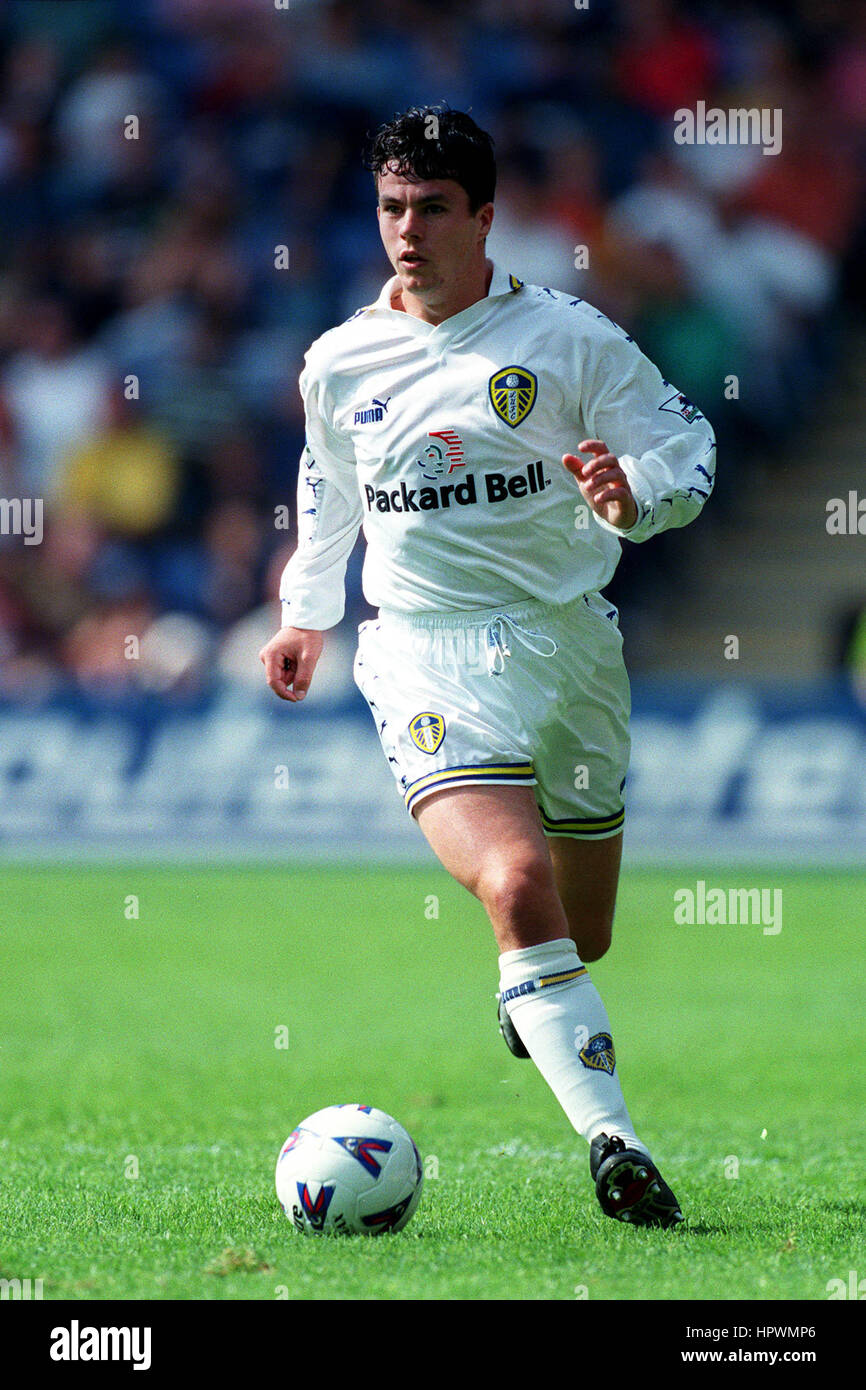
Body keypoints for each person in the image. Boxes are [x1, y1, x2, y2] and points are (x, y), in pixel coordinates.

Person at [260, 106, 716, 1228]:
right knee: (514, 887)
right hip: (422, 651)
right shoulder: (340, 361)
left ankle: (537, 990)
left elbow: (684, 443)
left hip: (565, 644)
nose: (405, 232)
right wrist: (305, 612)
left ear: (484, 218)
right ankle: (613, 1139)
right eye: (389, 208)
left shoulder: (567, 341)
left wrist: (634, 497)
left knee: (577, 930)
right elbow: (328, 488)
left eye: (429, 209)